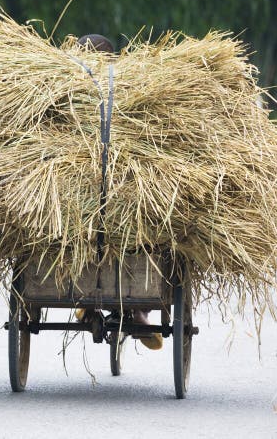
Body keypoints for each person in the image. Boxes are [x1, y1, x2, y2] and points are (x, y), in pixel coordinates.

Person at [74, 33, 162, 350]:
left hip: (81, 197)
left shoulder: (65, 87)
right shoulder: (128, 88)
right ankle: (137, 312)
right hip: (118, 192)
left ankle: (89, 302)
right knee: (141, 229)